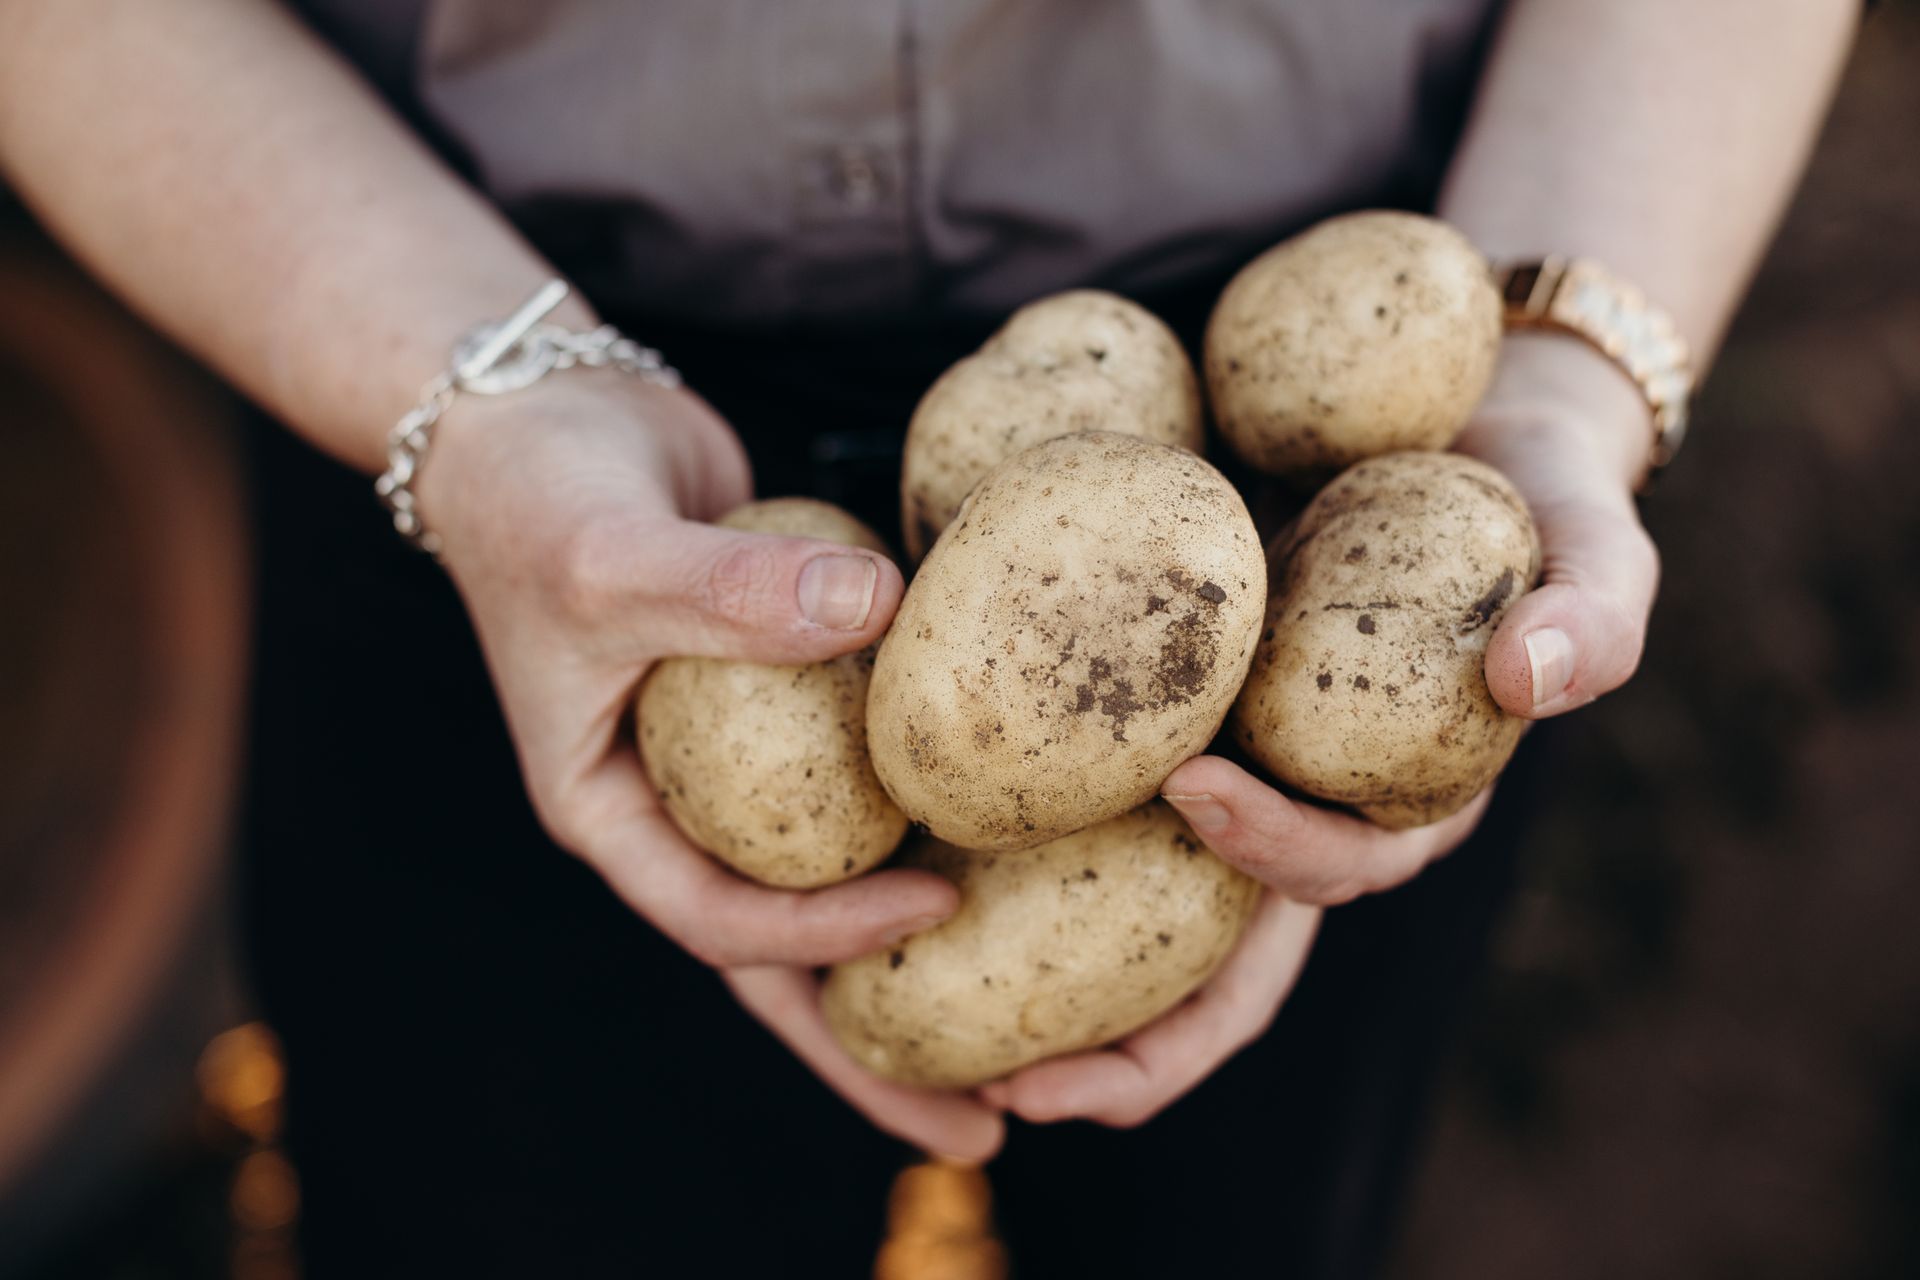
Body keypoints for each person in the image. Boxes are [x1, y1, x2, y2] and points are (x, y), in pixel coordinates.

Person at [0, 1, 1855, 1274]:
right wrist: (469, 403)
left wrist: (1558, 370)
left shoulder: (1327, 531)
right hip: (460, 372)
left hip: (1343, 466)